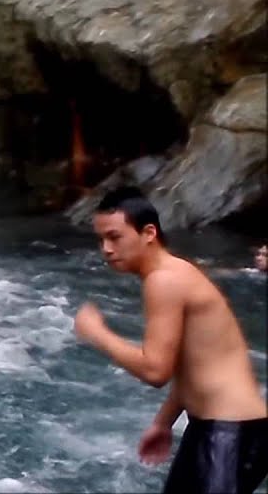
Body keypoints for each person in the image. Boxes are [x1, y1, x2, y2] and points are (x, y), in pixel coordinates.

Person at [73, 186, 268, 494]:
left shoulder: (164, 281)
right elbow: (194, 363)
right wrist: (164, 423)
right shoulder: (173, 273)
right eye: (101, 240)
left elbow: (155, 371)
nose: (106, 249)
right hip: (217, 428)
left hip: (230, 431)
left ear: (148, 232)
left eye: (114, 237)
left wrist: (98, 334)